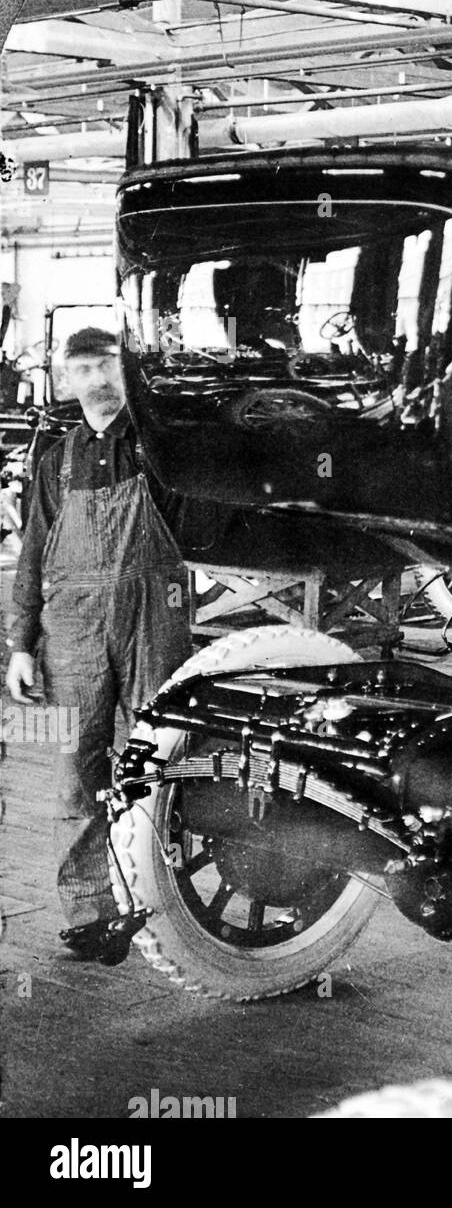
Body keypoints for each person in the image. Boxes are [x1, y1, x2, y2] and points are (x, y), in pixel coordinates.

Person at [5, 327, 192, 962]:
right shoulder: (55, 459)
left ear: (127, 368)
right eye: (82, 369)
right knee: (77, 767)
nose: (97, 380)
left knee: (158, 758)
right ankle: (91, 911)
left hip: (151, 615)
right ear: (66, 379)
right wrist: (20, 643)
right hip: (71, 627)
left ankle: (169, 903)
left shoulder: (162, 446)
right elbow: (33, 553)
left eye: (107, 364)